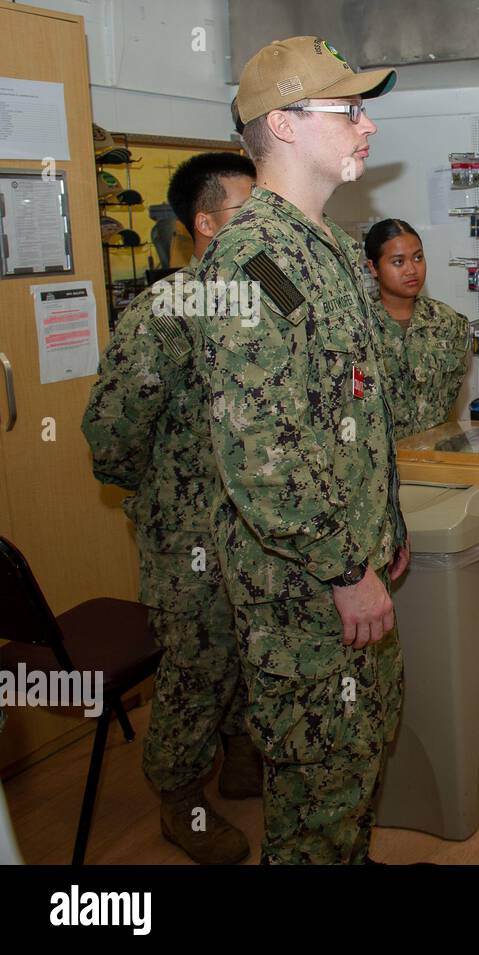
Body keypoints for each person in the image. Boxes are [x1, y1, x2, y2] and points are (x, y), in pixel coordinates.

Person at [195, 36, 443, 865]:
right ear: (285, 125)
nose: (367, 126)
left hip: (354, 560)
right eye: (349, 109)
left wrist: (388, 524)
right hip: (304, 591)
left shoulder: (329, 247)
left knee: (358, 757)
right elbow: (262, 452)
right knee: (317, 788)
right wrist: (345, 568)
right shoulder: (251, 258)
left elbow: (353, 413)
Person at [82, 151, 257, 865]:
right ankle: (180, 793)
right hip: (190, 533)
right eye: (250, 212)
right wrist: (169, 496)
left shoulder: (272, 288)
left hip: (261, 526)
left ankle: (243, 750)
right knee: (197, 662)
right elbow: (110, 434)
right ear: (205, 224)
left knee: (253, 646)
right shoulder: (166, 310)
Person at [364, 218, 470, 425]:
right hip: (378, 455)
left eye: (418, 258)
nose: (412, 270)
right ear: (373, 268)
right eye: (398, 262)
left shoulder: (448, 323)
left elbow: (449, 398)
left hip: (434, 450)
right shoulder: (358, 326)